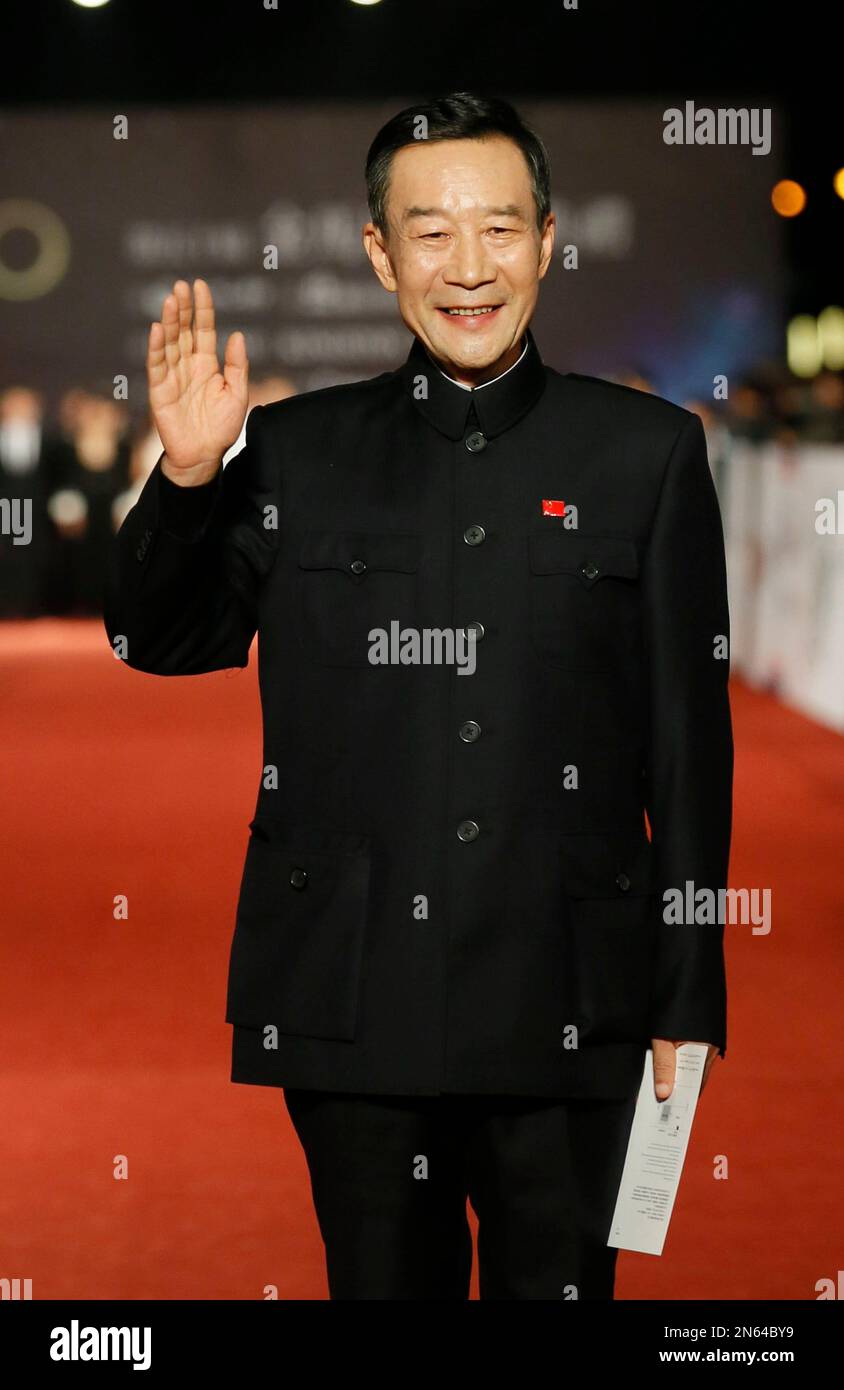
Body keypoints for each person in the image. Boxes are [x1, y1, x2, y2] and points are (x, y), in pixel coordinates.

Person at [103, 92, 733, 1300]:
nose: (469, 268)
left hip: (572, 998)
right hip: (353, 1003)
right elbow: (157, 638)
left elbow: (686, 747)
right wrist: (186, 481)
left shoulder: (646, 454)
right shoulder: (292, 450)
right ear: (378, 252)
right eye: (430, 233)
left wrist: (686, 989)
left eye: (499, 229)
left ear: (548, 240)